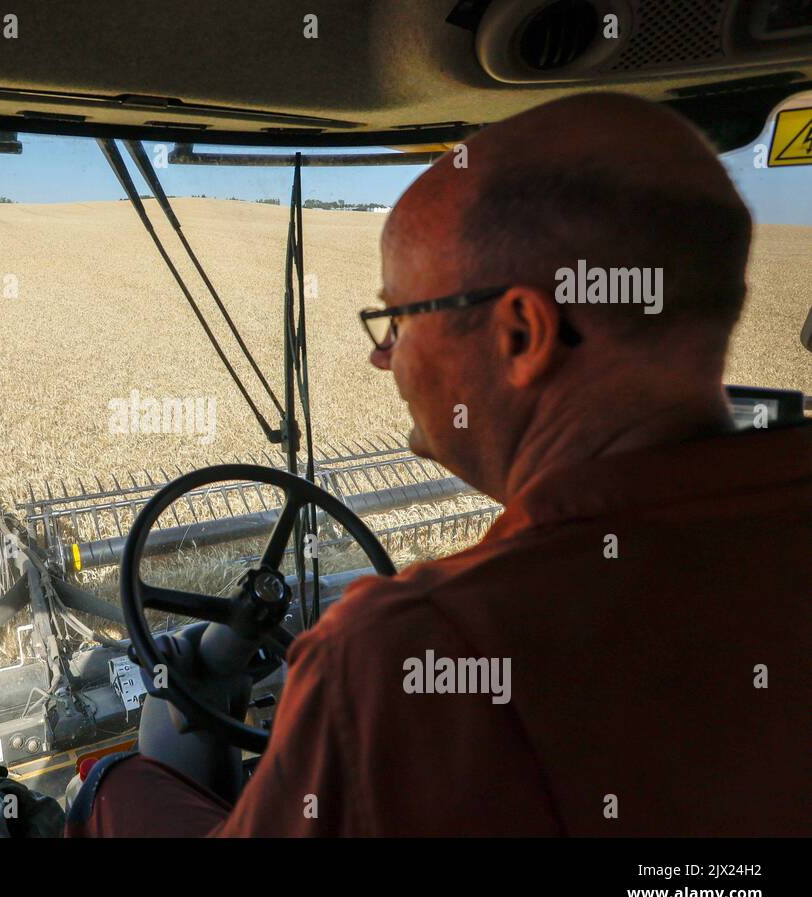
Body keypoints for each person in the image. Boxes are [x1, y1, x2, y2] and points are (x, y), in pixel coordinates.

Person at [67, 92, 812, 837]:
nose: (380, 354)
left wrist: (119, 781)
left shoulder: (403, 656)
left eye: (397, 318)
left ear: (521, 335)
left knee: (117, 784)